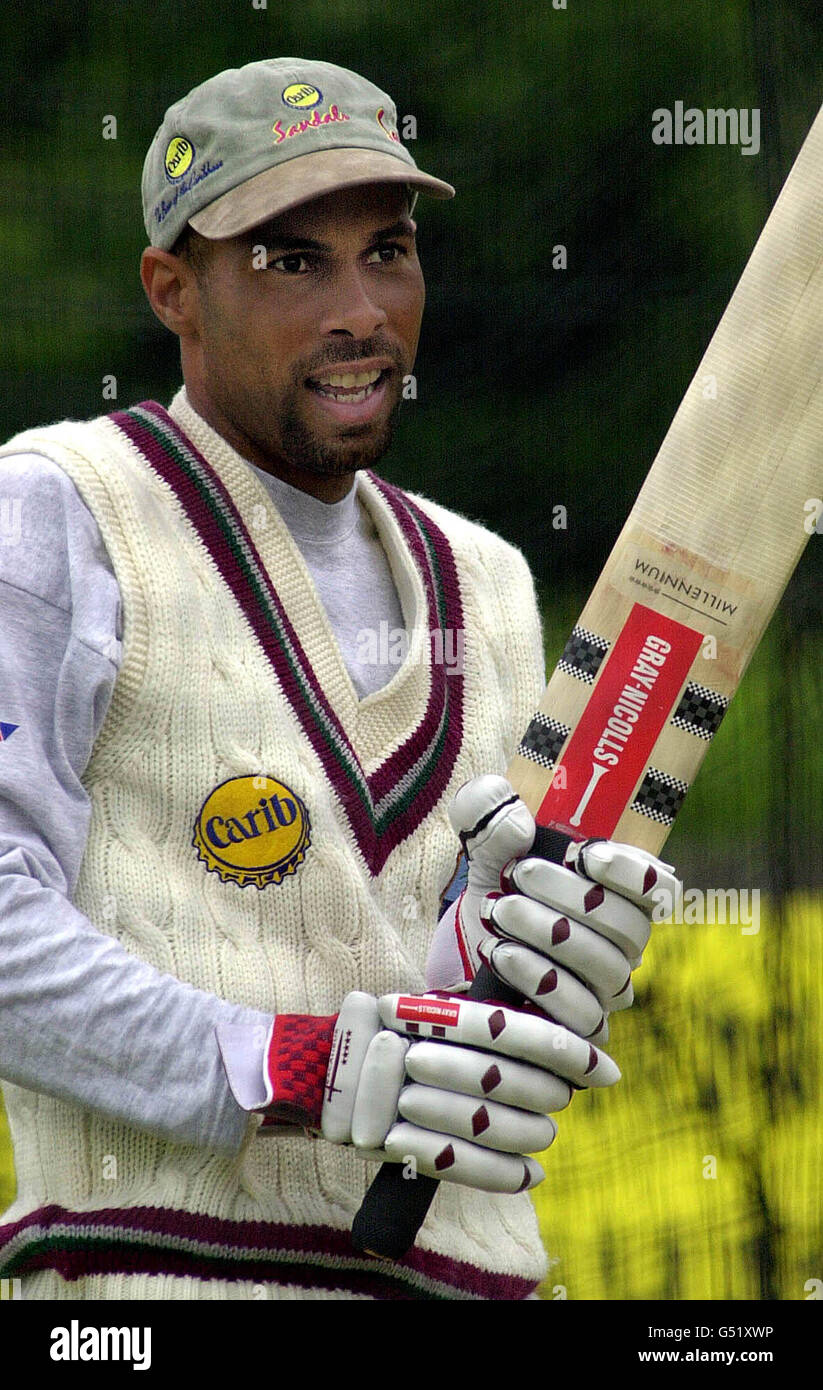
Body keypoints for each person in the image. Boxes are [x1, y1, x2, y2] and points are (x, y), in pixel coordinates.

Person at [0, 57, 678, 1301]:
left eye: (390, 249)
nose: (361, 309)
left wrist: (515, 960)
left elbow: (437, 1019)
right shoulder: (56, 508)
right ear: (172, 289)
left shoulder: (489, 582)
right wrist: (279, 1063)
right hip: (148, 1284)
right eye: (290, 260)